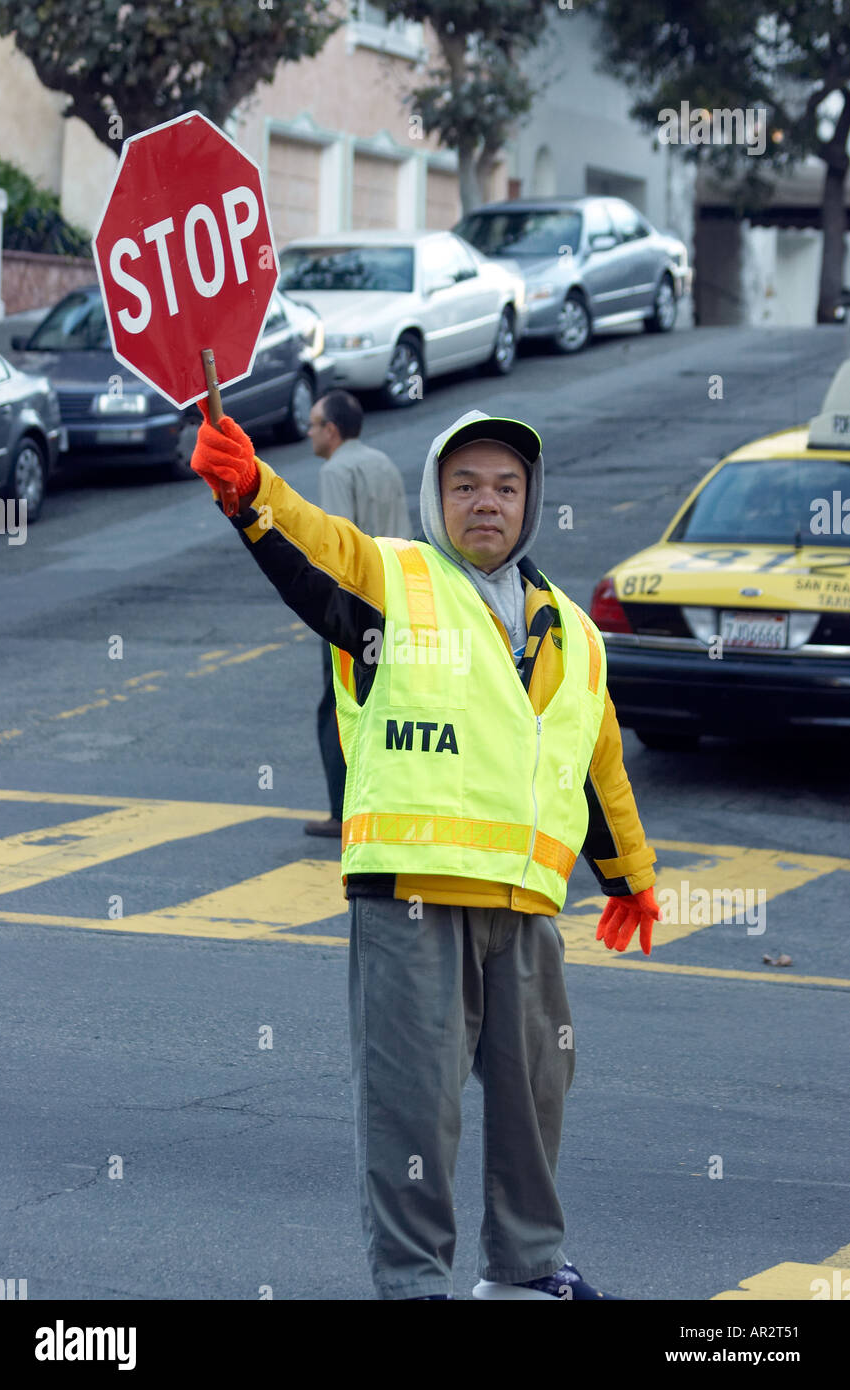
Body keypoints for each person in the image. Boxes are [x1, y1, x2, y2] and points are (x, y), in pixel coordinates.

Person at [191, 403, 661, 1301]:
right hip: (411, 895)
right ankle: (414, 1287)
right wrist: (250, 490)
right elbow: (311, 543)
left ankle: (526, 1268)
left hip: (526, 907)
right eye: (464, 486)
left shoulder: (573, 628)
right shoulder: (389, 579)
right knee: (414, 1109)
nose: (485, 502)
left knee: (536, 1098)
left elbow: (594, 761)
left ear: (530, 503)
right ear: (435, 497)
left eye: (505, 487)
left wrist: (629, 877)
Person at [304, 390, 412, 838]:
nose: (308, 432)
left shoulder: (336, 469)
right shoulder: (382, 462)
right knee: (388, 704)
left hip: (352, 606)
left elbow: (337, 546)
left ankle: (343, 810)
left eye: (313, 425)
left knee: (338, 706)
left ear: (332, 430)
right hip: (398, 595)